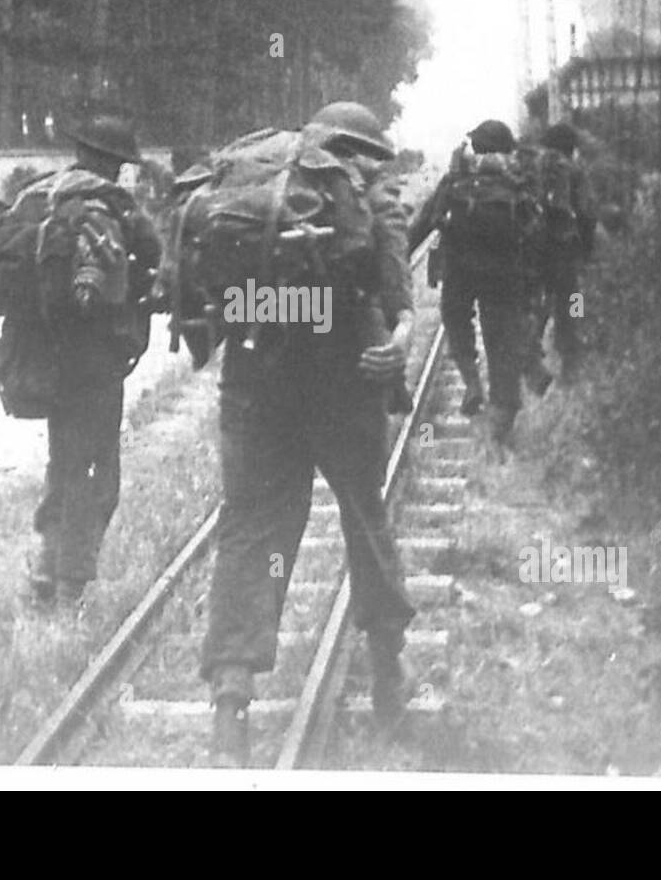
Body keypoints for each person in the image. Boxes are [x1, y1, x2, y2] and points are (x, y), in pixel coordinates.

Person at [200, 101, 417, 766]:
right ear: (363, 149)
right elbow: (401, 301)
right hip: (342, 377)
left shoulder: (254, 184)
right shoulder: (368, 194)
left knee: (250, 525)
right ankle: (387, 674)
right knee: (363, 513)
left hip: (255, 376)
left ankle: (232, 703)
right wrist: (400, 341)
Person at [28, 115, 162, 607]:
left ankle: (45, 568)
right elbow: (152, 258)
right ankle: (70, 590)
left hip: (49, 355)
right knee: (97, 472)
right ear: (109, 163)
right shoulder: (115, 208)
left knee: (63, 458)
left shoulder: (46, 197)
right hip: (97, 359)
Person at [409, 119, 544, 444]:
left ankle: (470, 380)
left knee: (457, 323)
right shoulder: (516, 178)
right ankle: (502, 421)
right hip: (503, 272)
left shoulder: (457, 176)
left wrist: (401, 257)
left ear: (476, 146)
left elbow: (425, 222)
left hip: (460, 269)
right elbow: (535, 230)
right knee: (502, 343)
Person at [534, 123, 596, 384]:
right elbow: (586, 212)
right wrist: (586, 249)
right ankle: (571, 362)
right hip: (565, 248)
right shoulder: (574, 170)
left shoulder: (532, 167)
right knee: (572, 301)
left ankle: (530, 359)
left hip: (535, 248)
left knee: (537, 303)